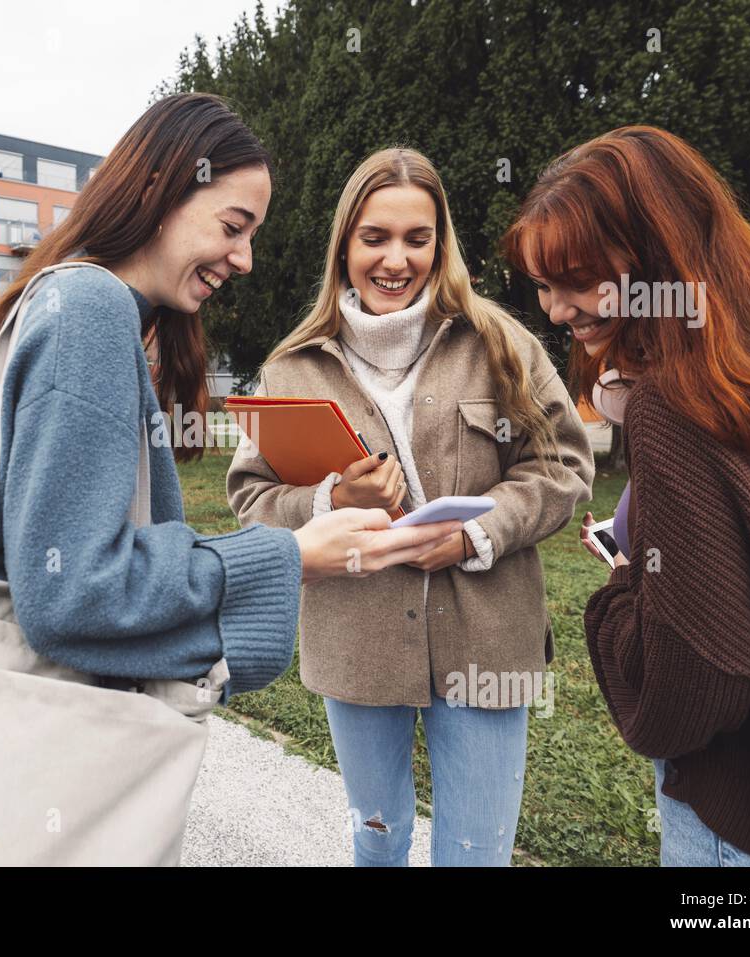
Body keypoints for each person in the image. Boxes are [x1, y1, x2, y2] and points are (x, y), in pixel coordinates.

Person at [0, 95, 460, 712]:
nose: (245, 259)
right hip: (52, 737)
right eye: (232, 227)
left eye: (252, 235)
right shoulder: (90, 312)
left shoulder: (67, 300)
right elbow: (73, 593)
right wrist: (292, 554)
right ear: (158, 193)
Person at [226, 147, 594, 866]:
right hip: (354, 644)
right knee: (377, 839)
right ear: (345, 244)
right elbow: (251, 500)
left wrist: (477, 531)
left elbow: (564, 464)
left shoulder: (503, 344)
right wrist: (331, 499)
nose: (396, 259)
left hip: (490, 642)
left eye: (416, 239)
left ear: (440, 244)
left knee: (477, 854)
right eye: (376, 238)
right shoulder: (290, 367)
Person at [503, 125, 750, 866]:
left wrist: (620, 593)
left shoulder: (672, 406)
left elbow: (689, 685)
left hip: (739, 809)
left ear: (657, 254)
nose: (559, 309)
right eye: (541, 284)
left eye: (576, 277)